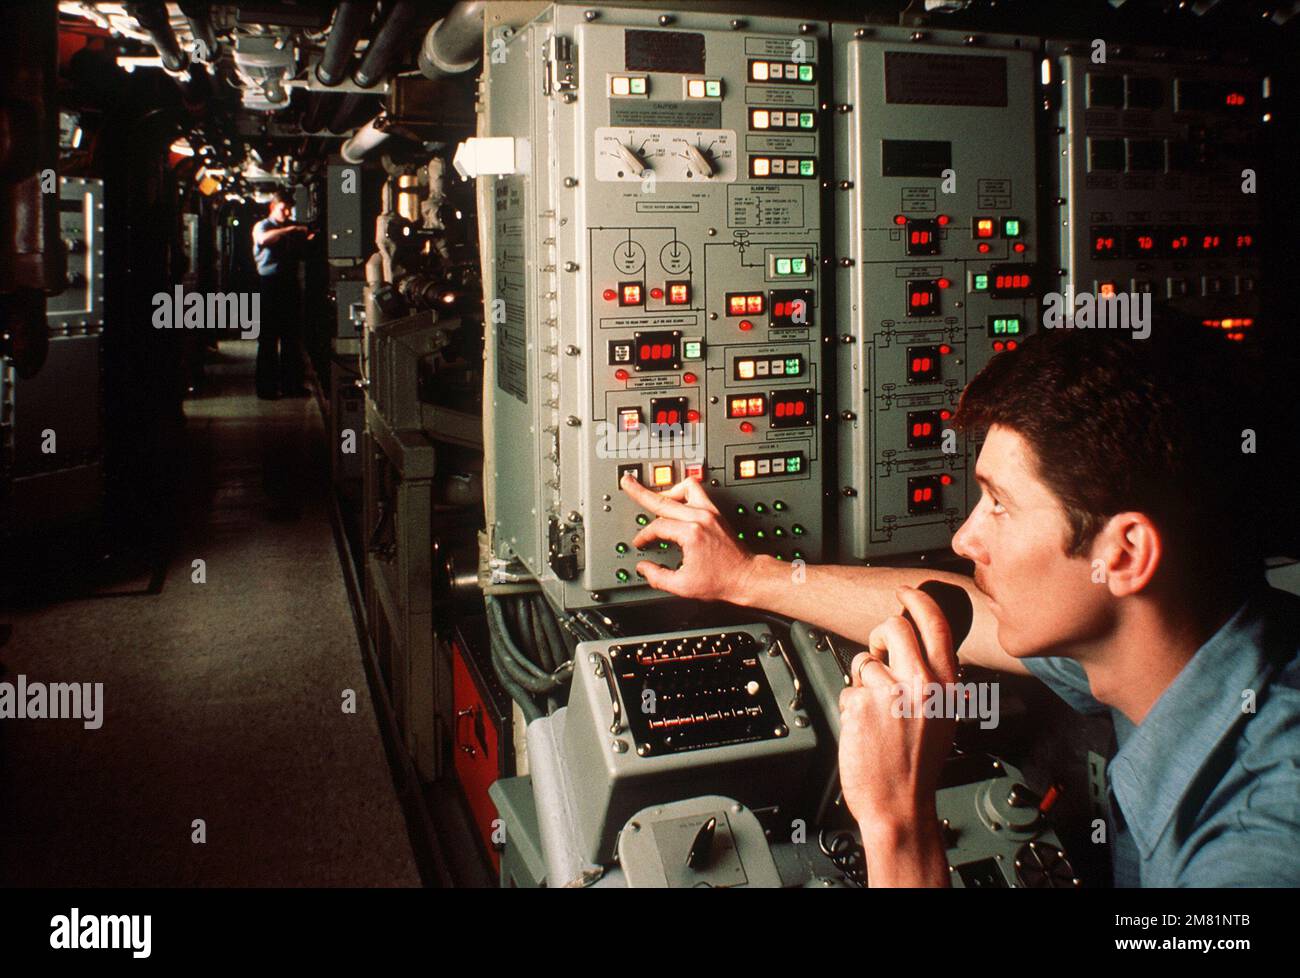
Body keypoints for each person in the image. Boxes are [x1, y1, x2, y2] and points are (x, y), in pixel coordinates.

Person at [620, 319, 1300, 887]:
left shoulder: (1258, 847)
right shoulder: (1185, 643)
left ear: (1123, 555)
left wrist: (896, 823)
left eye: (999, 505)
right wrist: (747, 577)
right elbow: (965, 614)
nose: (964, 537)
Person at [251, 190, 314, 399]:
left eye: (289, 209)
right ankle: (266, 388)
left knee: (291, 337)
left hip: (289, 284)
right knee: (268, 337)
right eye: (282, 209)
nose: (286, 213)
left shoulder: (291, 228)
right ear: (272, 207)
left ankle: (291, 385)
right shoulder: (263, 226)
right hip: (270, 284)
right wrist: (290, 229)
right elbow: (263, 239)